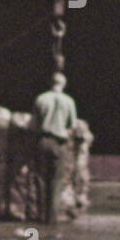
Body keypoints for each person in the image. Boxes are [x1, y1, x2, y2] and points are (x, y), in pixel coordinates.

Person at [32, 72, 78, 224]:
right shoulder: (69, 101)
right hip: (59, 143)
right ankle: (51, 218)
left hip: (43, 141)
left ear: (50, 82)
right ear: (63, 84)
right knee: (56, 181)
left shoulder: (41, 98)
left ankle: (40, 215)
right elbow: (72, 125)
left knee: (40, 179)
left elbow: (34, 124)